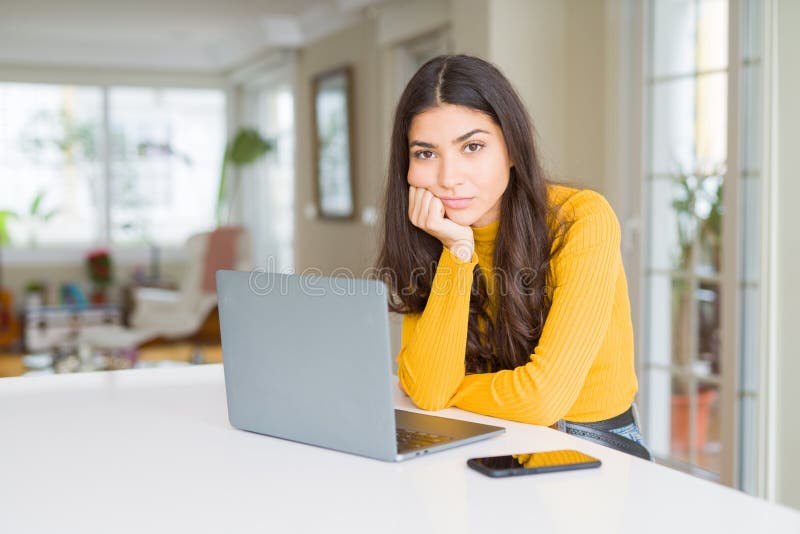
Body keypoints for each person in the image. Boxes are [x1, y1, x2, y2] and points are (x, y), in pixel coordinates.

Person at [376, 54, 651, 459]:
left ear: (512, 149)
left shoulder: (582, 219)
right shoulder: (436, 232)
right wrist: (457, 250)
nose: (448, 177)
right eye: (426, 153)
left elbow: (542, 400)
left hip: (587, 442)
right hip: (488, 435)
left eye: (472, 146)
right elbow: (431, 390)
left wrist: (454, 389)